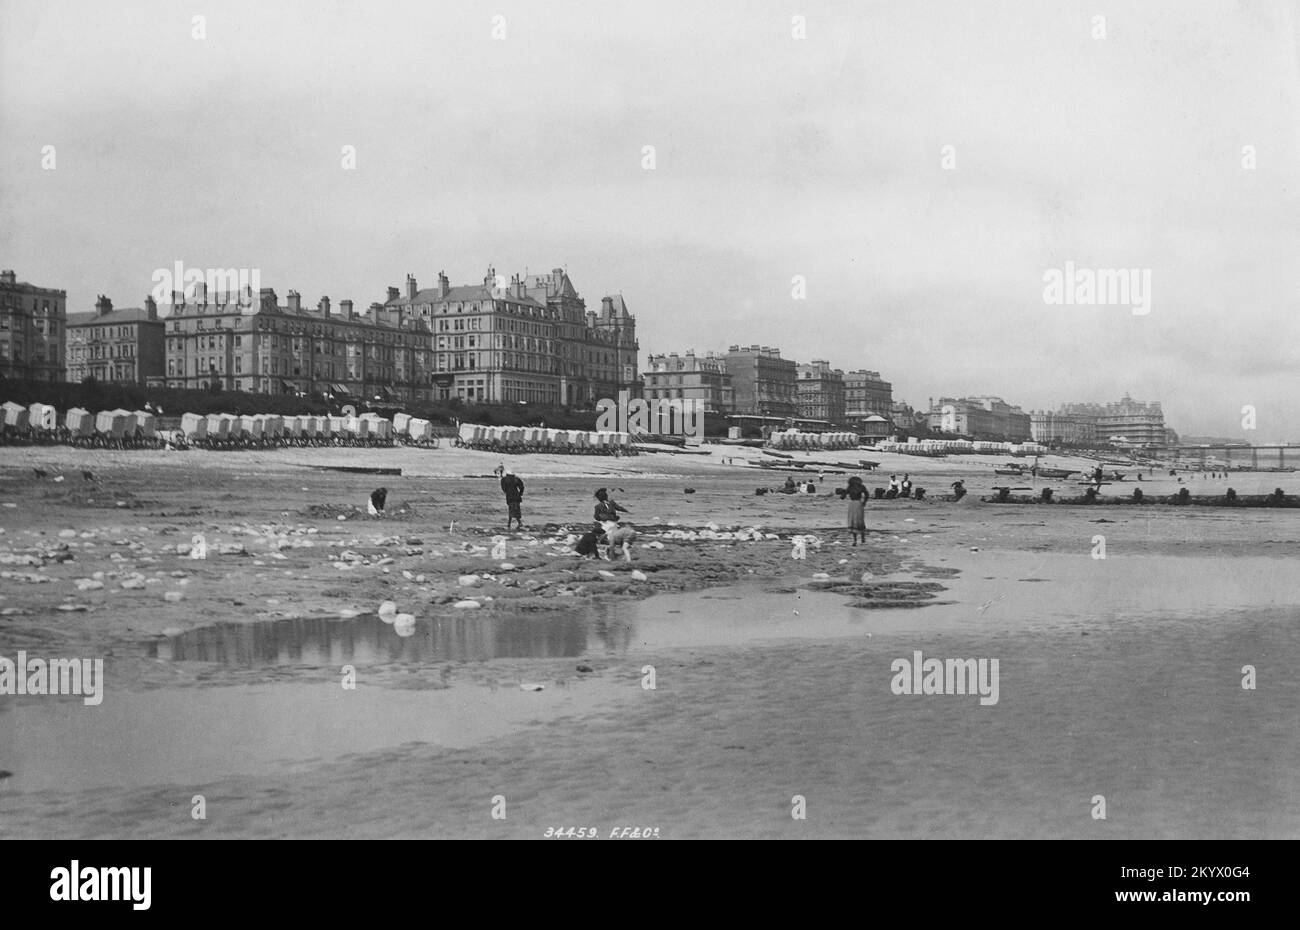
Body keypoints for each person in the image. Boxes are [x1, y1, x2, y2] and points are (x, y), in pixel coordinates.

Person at [845, 475, 867, 545]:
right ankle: (863, 538)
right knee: (860, 520)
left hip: (852, 504)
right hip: (859, 504)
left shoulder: (850, 487)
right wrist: (864, 502)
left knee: (853, 520)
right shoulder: (861, 486)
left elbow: (843, 496)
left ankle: (855, 541)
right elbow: (867, 494)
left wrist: (842, 493)